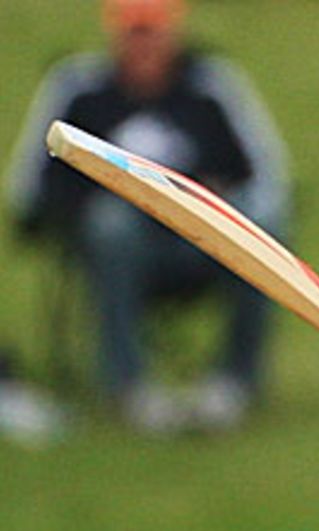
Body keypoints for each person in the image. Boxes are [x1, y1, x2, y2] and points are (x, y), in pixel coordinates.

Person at [4, 0, 290, 433]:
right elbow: (31, 189)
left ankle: (233, 384)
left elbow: (267, 179)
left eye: (152, 32)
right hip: (112, 252)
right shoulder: (80, 90)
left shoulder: (210, 87)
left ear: (173, 32)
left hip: (203, 247)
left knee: (263, 221)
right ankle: (129, 389)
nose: (143, 45)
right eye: (133, 33)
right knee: (112, 222)